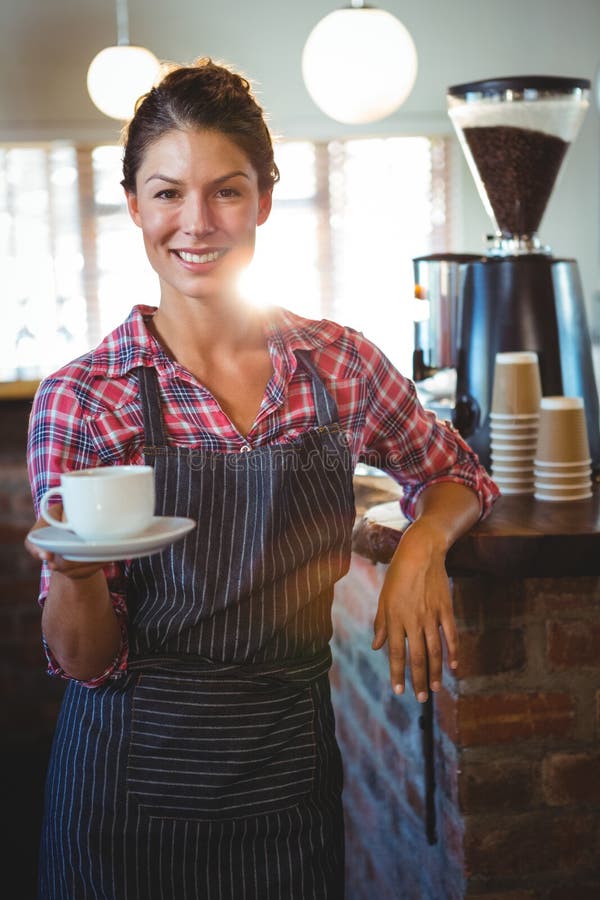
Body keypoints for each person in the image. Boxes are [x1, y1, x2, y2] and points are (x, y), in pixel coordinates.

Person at [26, 58, 499, 900]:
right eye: (167, 193)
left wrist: (425, 539)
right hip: (123, 799)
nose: (196, 222)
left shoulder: (338, 363)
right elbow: (83, 656)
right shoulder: (83, 398)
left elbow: (454, 469)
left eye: (227, 191)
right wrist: (74, 573)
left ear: (265, 202)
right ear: (133, 204)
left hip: (289, 785)